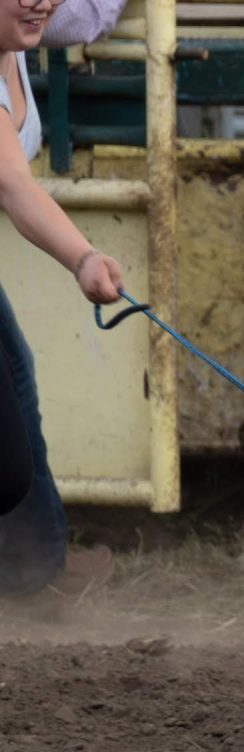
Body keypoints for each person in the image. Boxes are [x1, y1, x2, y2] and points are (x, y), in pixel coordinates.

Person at [1, 0, 123, 601]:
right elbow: (13, 184)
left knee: (16, 381)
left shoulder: (26, 25)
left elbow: (90, 15)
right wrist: (83, 258)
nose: (43, 1)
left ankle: (34, 567)